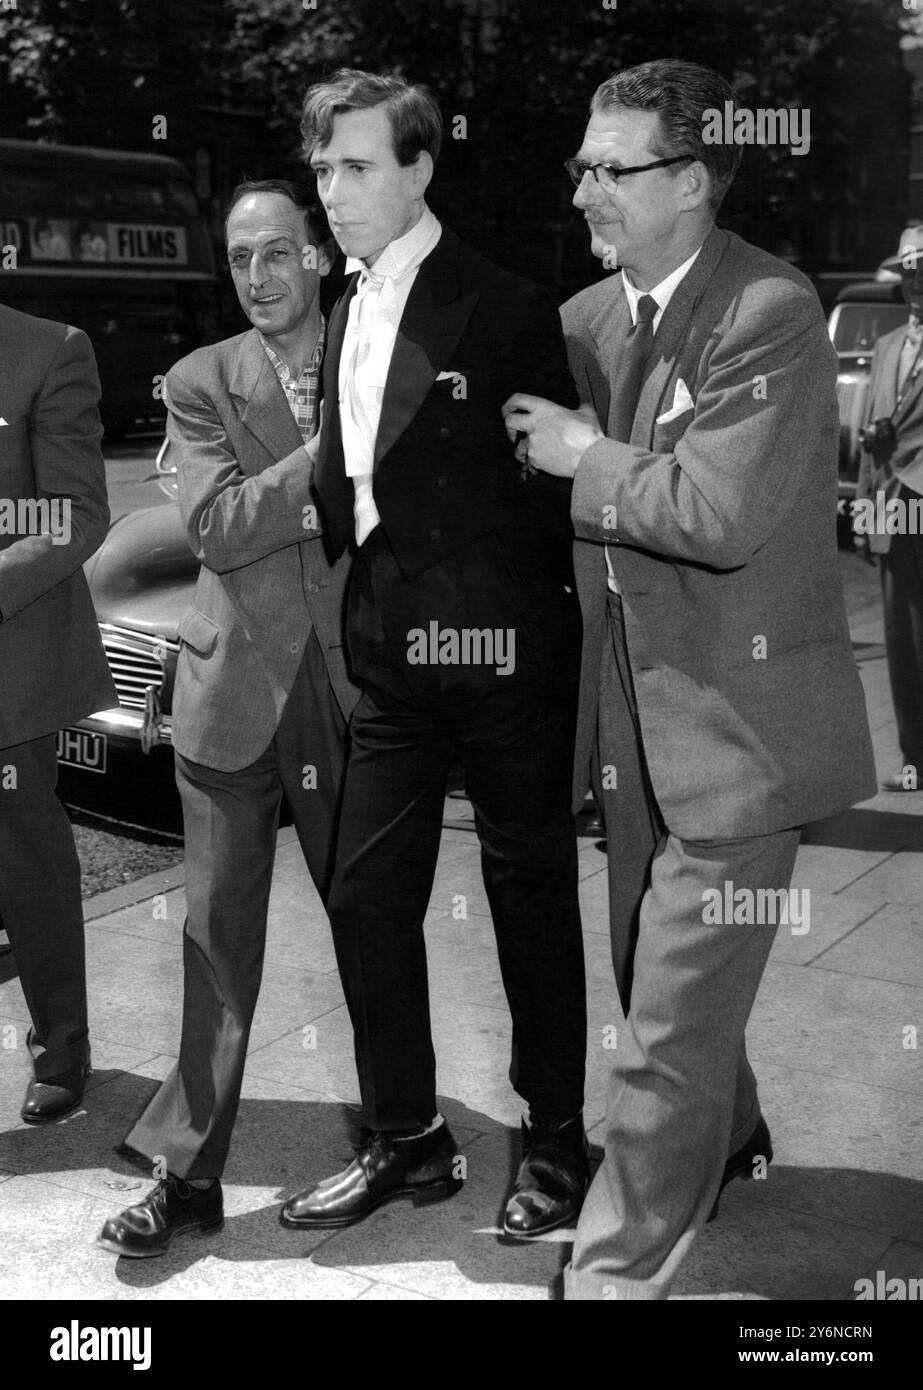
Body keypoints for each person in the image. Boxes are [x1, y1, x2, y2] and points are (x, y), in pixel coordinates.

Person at [503, 58, 877, 1298]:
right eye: (582, 169)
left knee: (659, 1028)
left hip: (739, 733)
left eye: (611, 170)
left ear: (694, 182)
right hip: (625, 731)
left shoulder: (767, 307)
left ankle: (617, 1271)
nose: (584, 192)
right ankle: (733, 1135)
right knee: (658, 983)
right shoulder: (587, 318)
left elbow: (714, 509)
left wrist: (579, 452)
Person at [280, 69, 588, 1238]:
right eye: (321, 168)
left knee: (527, 895)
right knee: (364, 893)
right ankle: (405, 1136)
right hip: (389, 657)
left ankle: (552, 1140)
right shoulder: (348, 302)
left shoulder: (505, 304)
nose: (333, 190)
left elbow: (550, 484)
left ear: (419, 167)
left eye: (356, 167)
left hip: (503, 652)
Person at [98, 181, 360, 1259]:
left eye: (278, 254)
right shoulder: (202, 377)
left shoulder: (374, 351)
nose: (258, 276)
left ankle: (405, 1134)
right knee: (213, 940)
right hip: (229, 692)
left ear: (320, 258)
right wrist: (338, 448)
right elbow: (214, 524)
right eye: (240, 259)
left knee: (378, 929)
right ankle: (187, 1170)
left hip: (353, 691)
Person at [0, 303, 116, 1122]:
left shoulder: (48, 351)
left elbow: (73, 513)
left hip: (11, 653)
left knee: (22, 850)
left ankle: (62, 1046)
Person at [853, 227, 923, 793]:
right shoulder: (886, 346)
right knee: (901, 636)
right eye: (909, 272)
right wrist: (862, 509)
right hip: (891, 509)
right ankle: (916, 758)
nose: (917, 281)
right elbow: (872, 440)